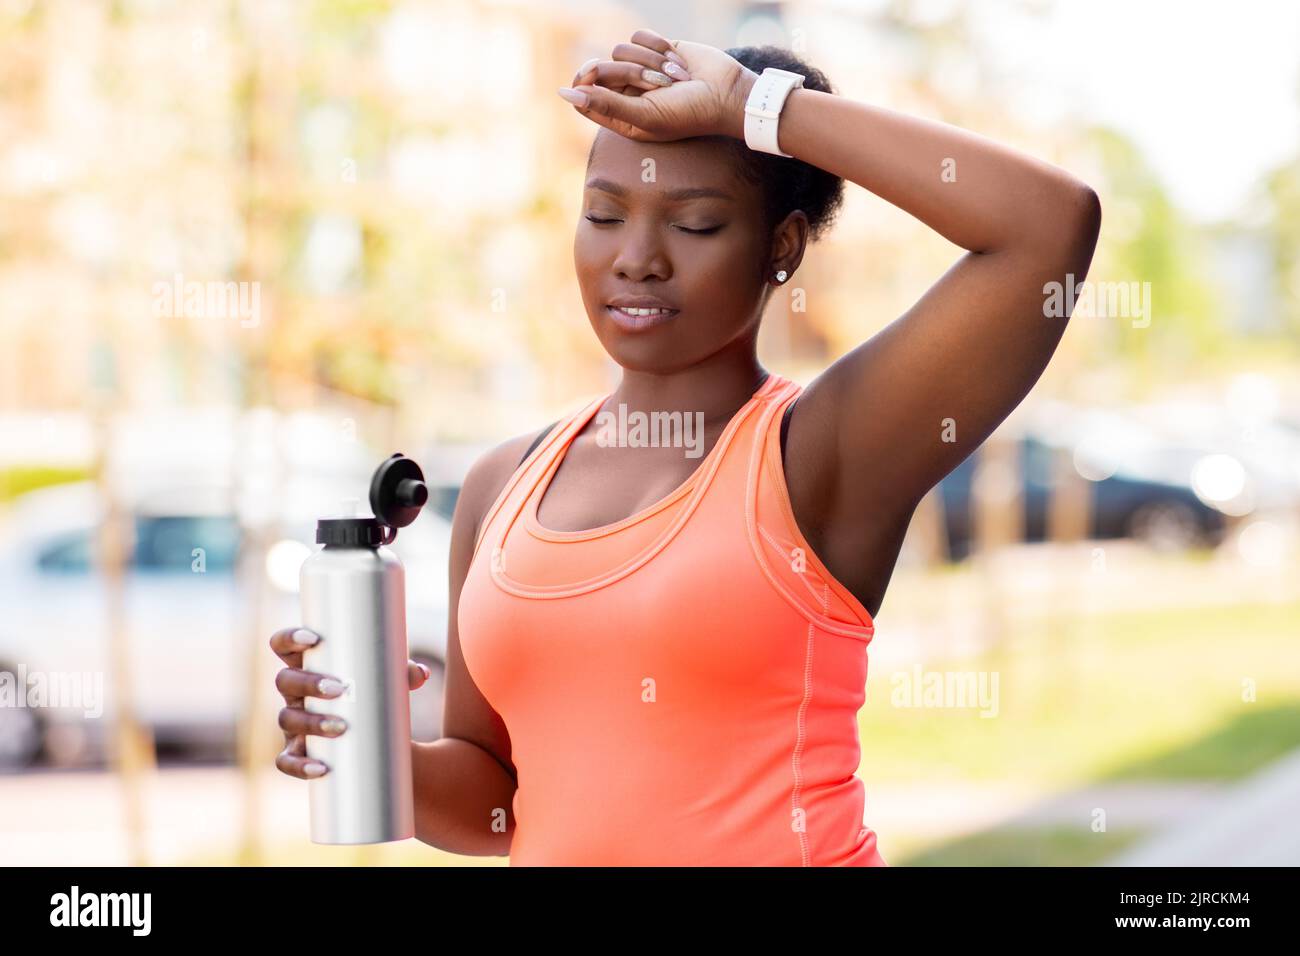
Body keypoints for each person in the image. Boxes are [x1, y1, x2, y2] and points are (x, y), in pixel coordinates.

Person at [272, 28, 1100, 865]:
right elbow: (499, 800)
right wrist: (374, 755)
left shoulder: (816, 456)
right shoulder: (502, 485)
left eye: (696, 225)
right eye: (602, 214)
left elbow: (1047, 227)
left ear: (780, 247)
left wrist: (753, 107)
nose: (635, 259)